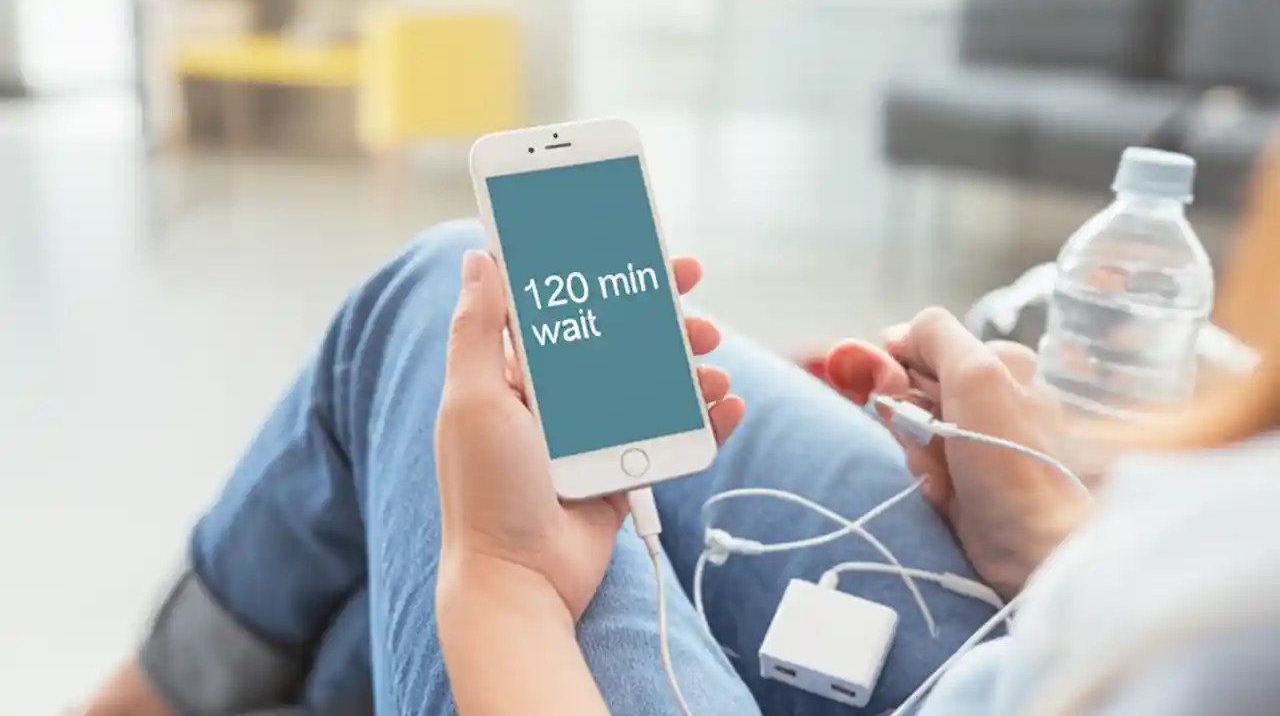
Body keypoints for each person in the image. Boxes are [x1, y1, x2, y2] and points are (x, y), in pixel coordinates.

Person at [85, 146, 1280, 716]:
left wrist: (500, 584)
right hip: (1031, 657)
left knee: (442, 295)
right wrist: (1051, 537)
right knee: (393, 583)